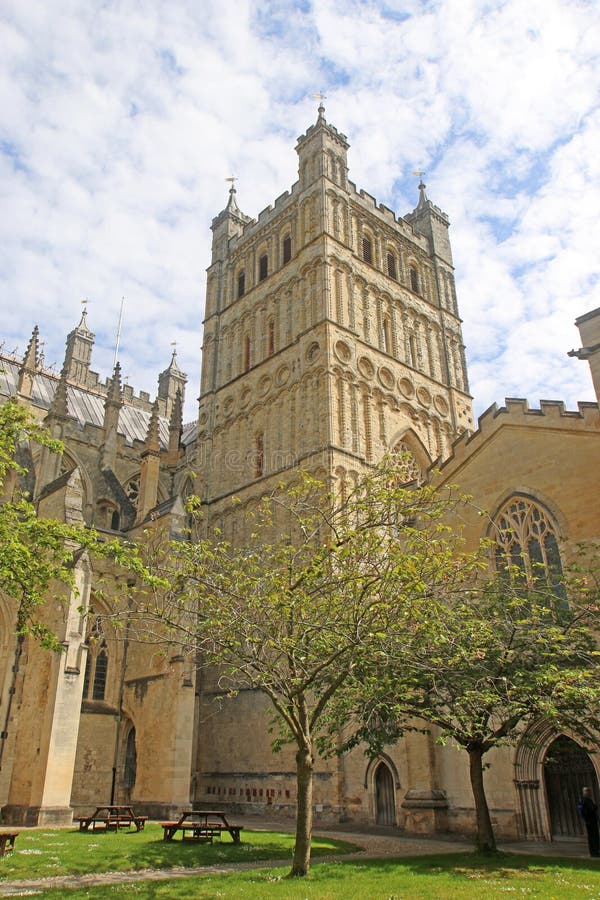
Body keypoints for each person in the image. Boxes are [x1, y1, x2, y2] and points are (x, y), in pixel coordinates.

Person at [580, 787, 599, 858]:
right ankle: (593, 852)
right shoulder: (583, 800)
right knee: (592, 837)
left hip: (593, 821)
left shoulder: (589, 800)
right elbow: (582, 811)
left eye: (589, 791)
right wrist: (587, 817)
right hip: (589, 821)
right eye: (587, 791)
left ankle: (596, 851)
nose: (588, 793)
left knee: (595, 836)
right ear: (584, 792)